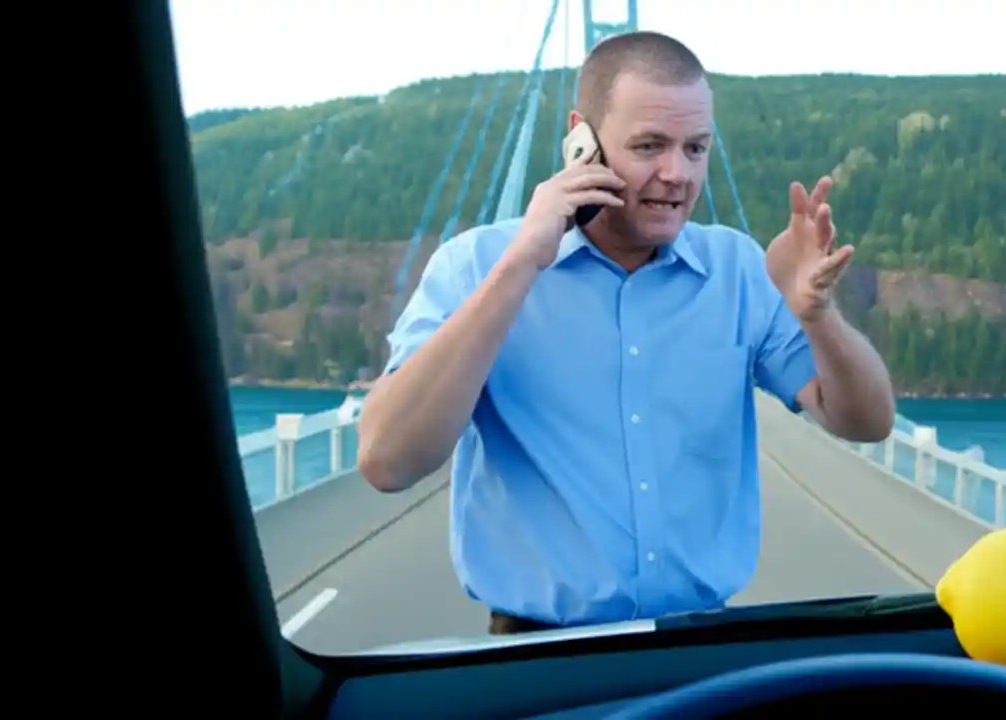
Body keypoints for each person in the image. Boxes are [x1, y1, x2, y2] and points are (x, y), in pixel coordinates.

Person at [357, 30, 895, 635]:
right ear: (580, 141)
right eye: (649, 146)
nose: (677, 174)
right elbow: (387, 461)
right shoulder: (475, 266)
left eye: (696, 148)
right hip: (537, 655)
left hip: (701, 644)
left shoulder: (738, 270)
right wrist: (523, 263)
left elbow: (866, 422)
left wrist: (819, 316)